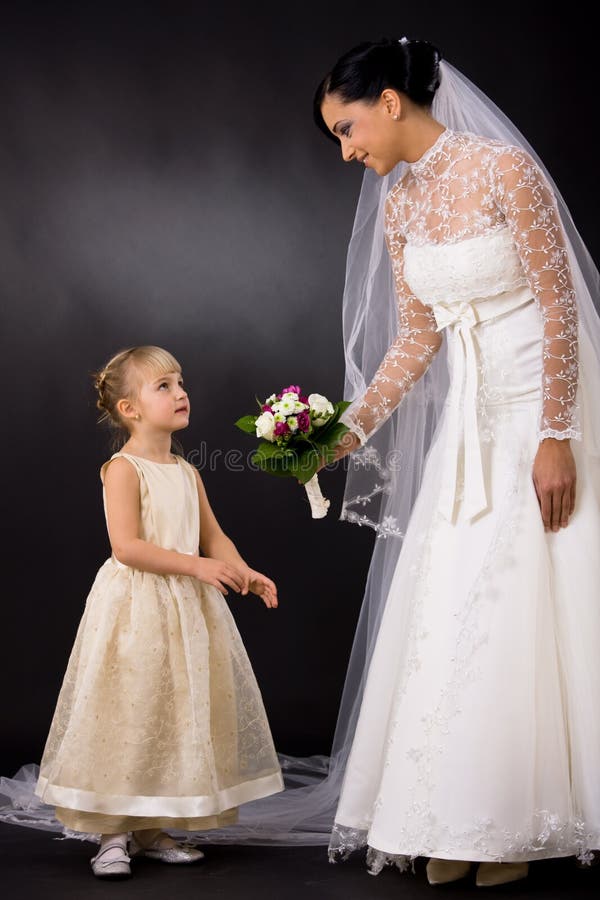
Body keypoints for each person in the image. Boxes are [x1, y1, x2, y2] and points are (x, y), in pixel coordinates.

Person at [312, 38, 600, 887]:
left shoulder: (505, 170)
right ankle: (450, 813)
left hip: (539, 413)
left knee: (526, 603)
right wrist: (345, 434)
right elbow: (416, 339)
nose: (345, 150)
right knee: (454, 609)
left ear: (390, 101)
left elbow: (560, 307)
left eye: (347, 128)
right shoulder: (401, 204)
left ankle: (516, 824)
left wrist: (556, 435)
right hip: (468, 432)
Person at [32, 345, 283, 879]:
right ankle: (112, 833)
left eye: (180, 382)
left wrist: (243, 571)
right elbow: (126, 547)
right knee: (131, 710)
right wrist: (196, 568)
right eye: (163, 386)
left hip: (186, 612)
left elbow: (213, 537)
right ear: (130, 409)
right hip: (136, 610)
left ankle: (149, 828)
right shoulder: (123, 469)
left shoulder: (187, 472)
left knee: (170, 714)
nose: (180, 393)